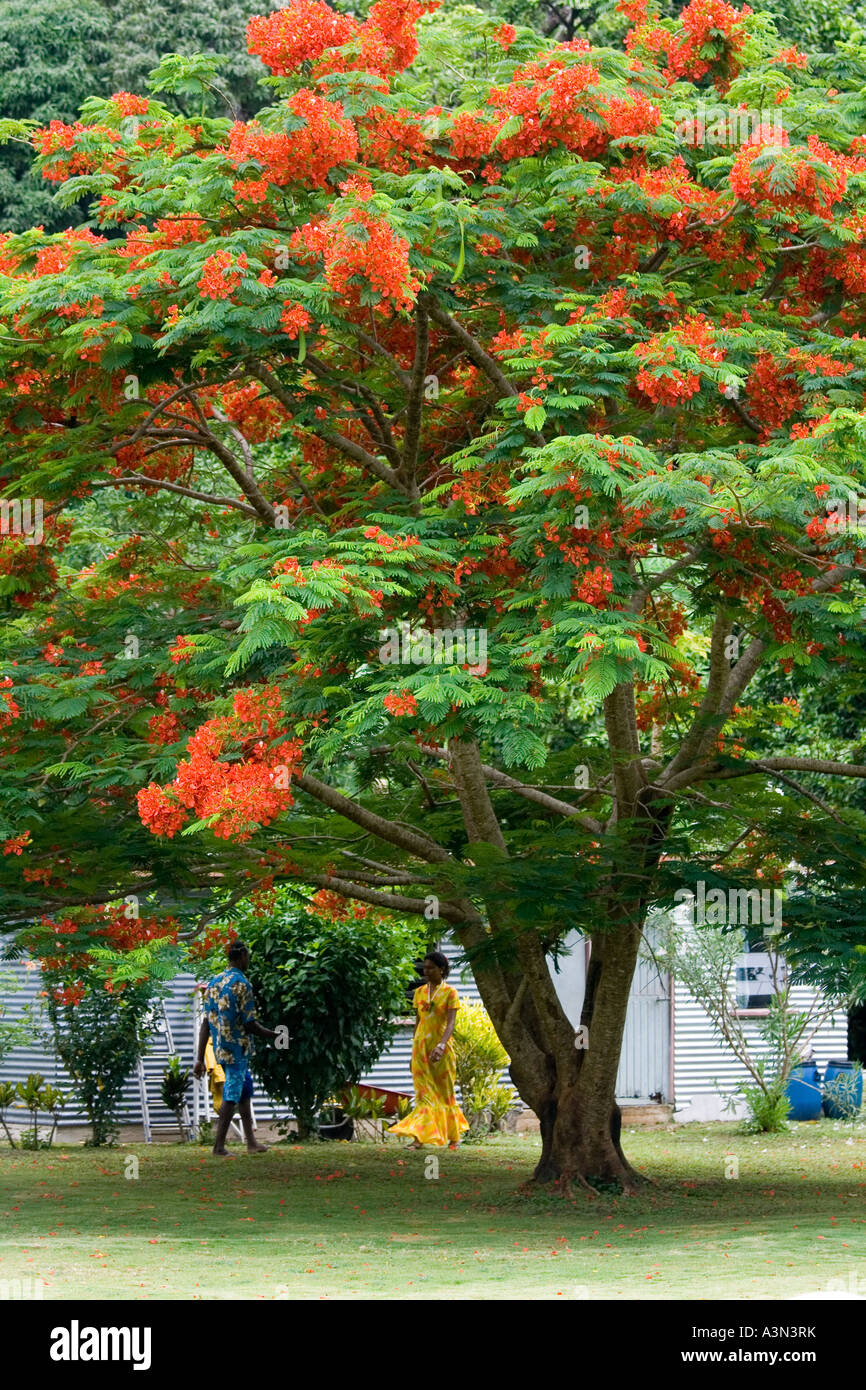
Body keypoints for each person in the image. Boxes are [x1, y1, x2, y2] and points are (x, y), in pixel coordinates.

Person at [193, 940, 277, 1158]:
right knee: (232, 1094)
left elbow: (205, 1024)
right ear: (242, 957)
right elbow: (249, 1024)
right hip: (237, 1050)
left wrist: (199, 1058)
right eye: (247, 957)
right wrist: (272, 1035)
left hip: (220, 1049)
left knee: (244, 1090)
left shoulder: (214, 982)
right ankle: (218, 1146)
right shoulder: (242, 984)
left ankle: (251, 1143)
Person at [387, 951, 468, 1149]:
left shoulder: (450, 993)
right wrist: (414, 1051)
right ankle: (419, 1139)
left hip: (441, 1050)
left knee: (445, 1093)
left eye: (431, 968)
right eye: (425, 967)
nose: (426, 971)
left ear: (441, 970)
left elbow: (450, 1024)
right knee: (423, 1094)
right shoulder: (419, 992)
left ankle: (454, 1137)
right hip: (421, 1049)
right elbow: (418, 1022)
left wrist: (441, 1045)